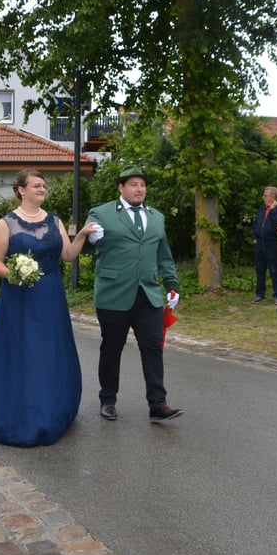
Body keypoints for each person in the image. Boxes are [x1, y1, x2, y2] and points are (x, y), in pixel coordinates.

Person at [0, 170, 97, 446]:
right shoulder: (7, 223)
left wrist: (80, 235)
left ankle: (54, 406)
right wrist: (13, 273)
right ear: (21, 190)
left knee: (50, 349)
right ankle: (19, 409)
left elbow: (67, 256)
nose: (42, 189)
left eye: (44, 185)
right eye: (36, 185)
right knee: (23, 349)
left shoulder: (54, 220)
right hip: (19, 295)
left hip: (51, 295)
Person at [85, 164, 183, 422]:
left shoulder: (156, 217)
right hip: (113, 294)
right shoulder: (102, 213)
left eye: (142, 185)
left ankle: (158, 403)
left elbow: (164, 256)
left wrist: (172, 284)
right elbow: (83, 245)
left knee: (152, 348)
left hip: (148, 294)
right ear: (121, 187)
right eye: (133, 185)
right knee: (112, 348)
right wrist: (91, 239)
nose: (139, 189)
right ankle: (108, 399)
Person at [251, 186, 277, 305]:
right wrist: (254, 237)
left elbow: (276, 222)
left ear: (273, 198)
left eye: (265, 195)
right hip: (259, 244)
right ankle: (260, 294)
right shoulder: (261, 209)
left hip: (272, 244)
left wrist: (273, 209)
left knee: (274, 270)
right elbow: (256, 224)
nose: (263, 197)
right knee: (260, 270)